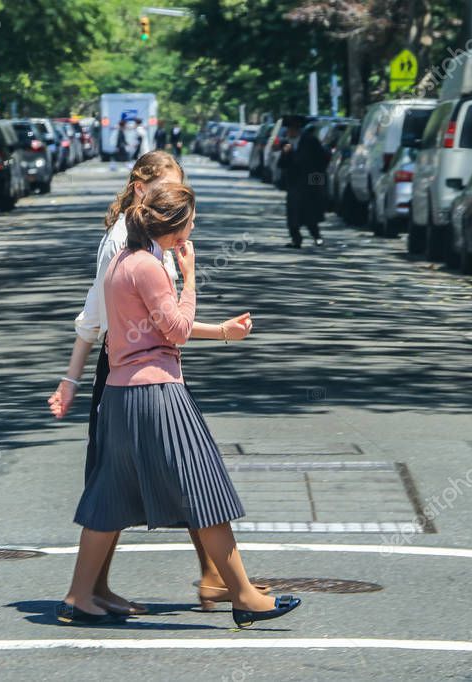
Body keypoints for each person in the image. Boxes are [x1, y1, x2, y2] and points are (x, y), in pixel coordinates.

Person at [56, 183, 302, 628]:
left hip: (119, 393)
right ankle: (244, 595)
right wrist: (190, 279)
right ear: (173, 227)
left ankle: (79, 596)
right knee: (203, 485)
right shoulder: (150, 267)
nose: (194, 227)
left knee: (108, 495)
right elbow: (175, 329)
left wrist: (224, 331)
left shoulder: (121, 262)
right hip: (156, 393)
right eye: (190, 221)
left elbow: (154, 328)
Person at [278, 116, 330, 248]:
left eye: (292, 129)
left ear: (297, 129)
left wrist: (318, 183)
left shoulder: (310, 141)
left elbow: (321, 161)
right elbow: (282, 164)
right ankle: (296, 239)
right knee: (293, 212)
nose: (289, 132)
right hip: (294, 182)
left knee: (310, 212)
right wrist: (285, 153)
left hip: (309, 182)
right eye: (288, 129)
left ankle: (317, 236)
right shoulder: (287, 144)